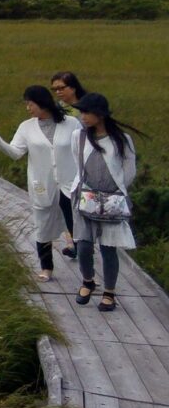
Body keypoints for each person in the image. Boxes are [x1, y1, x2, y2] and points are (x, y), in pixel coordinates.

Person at [0, 85, 81, 280]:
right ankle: (46, 268)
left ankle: (86, 270)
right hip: (42, 184)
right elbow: (15, 153)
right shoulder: (26, 127)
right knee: (43, 224)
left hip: (69, 182)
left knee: (76, 223)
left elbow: (82, 149)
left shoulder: (71, 123)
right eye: (26, 105)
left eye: (31, 104)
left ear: (43, 102)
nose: (28, 108)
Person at [62, 93, 139, 312]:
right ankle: (88, 281)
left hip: (111, 200)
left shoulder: (121, 139)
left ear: (100, 114)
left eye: (87, 112)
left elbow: (128, 171)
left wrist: (114, 192)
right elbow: (78, 162)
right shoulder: (79, 136)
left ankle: (109, 293)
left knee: (108, 248)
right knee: (84, 245)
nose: (83, 116)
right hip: (85, 198)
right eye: (81, 112)